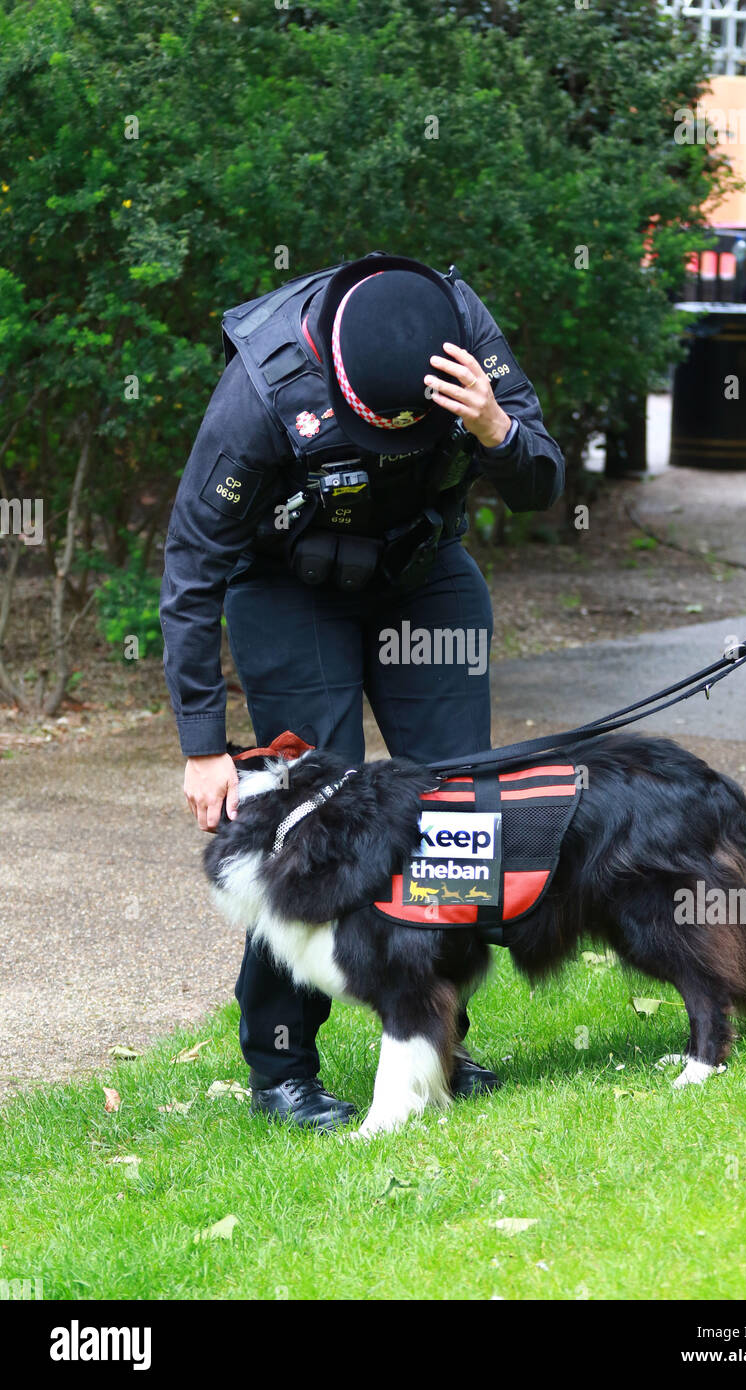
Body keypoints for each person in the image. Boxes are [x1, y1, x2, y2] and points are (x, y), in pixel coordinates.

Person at [159, 252, 564, 1129]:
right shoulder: (263, 389)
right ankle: (283, 1069)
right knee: (317, 826)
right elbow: (191, 565)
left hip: (423, 576)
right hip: (291, 592)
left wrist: (495, 426)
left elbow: (543, 485)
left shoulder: (461, 330)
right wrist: (202, 744)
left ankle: (437, 1036)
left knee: (458, 806)